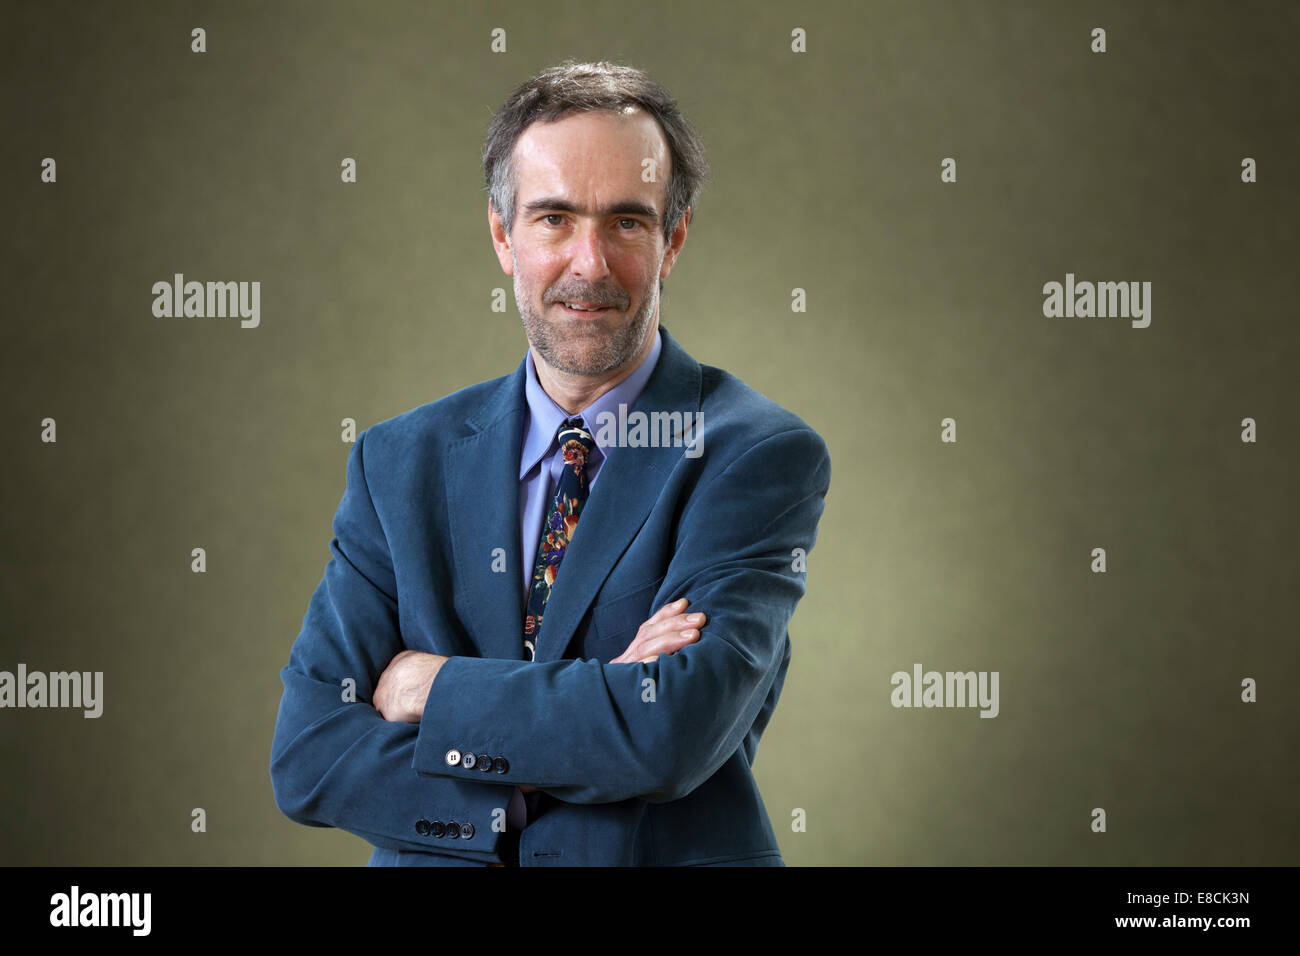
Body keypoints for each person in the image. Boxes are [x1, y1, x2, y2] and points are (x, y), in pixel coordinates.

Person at [270, 60, 831, 866]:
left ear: (673, 239)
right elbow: (310, 755)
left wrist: (438, 691)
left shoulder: (757, 456)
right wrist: (518, 791)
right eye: (555, 219)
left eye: (627, 222)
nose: (590, 264)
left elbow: (669, 734)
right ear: (504, 236)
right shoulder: (398, 463)